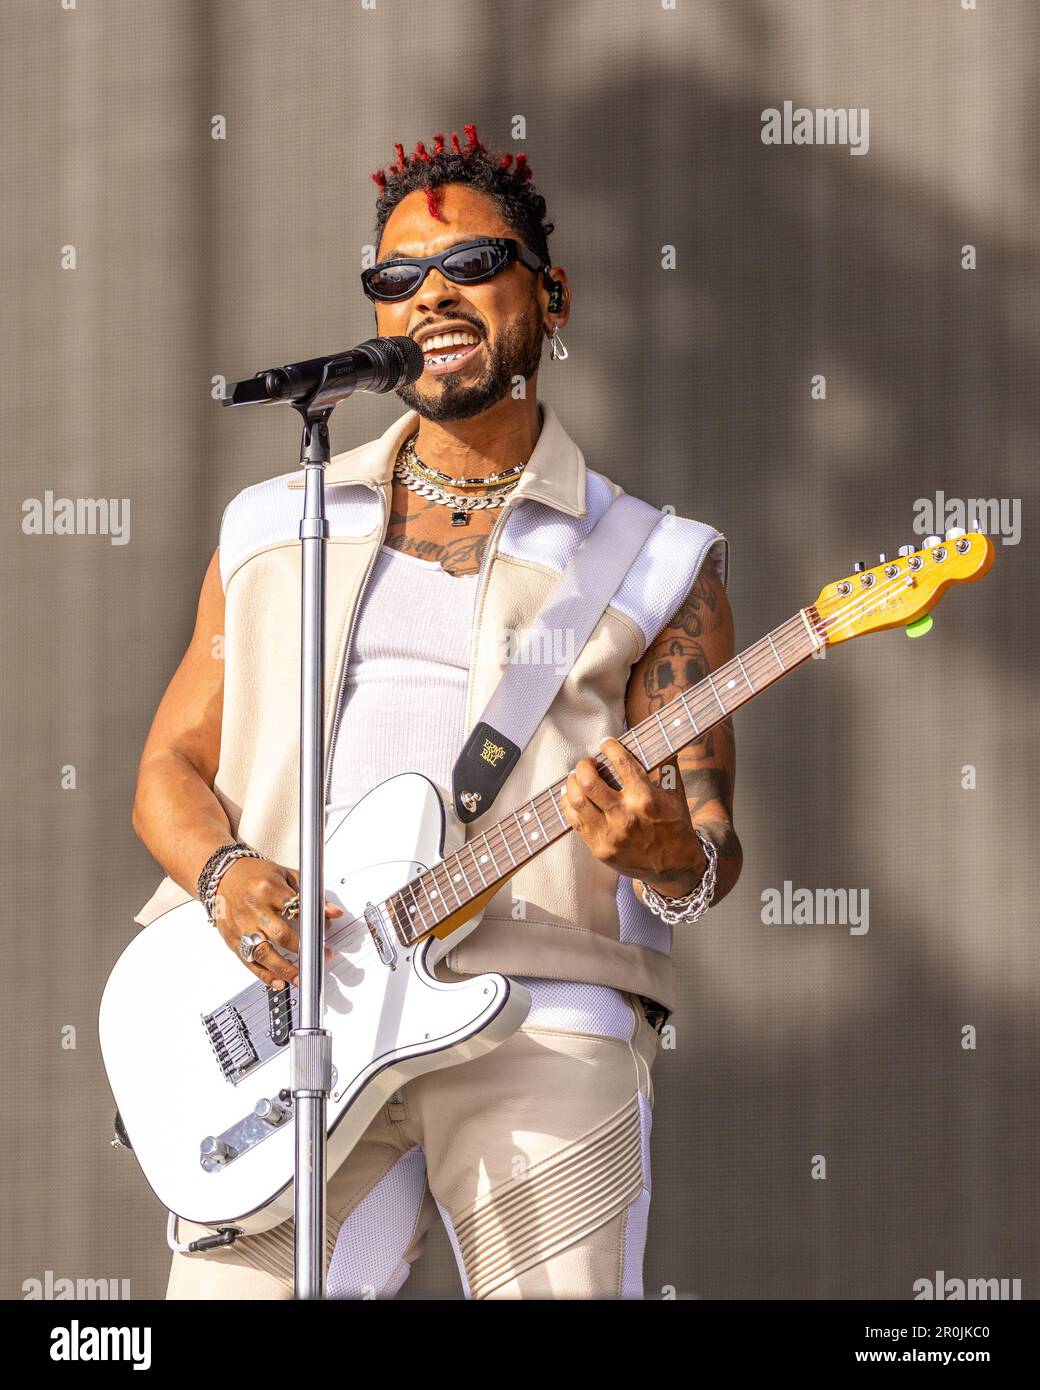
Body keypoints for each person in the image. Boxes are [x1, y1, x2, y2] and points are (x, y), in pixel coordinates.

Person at [131, 124, 742, 1300]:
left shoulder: (655, 562)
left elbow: (707, 853)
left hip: (542, 1011)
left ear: (548, 294)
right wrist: (220, 875)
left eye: (471, 264)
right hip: (300, 1012)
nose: (433, 295)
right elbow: (168, 764)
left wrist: (664, 855)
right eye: (396, 278)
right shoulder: (272, 526)